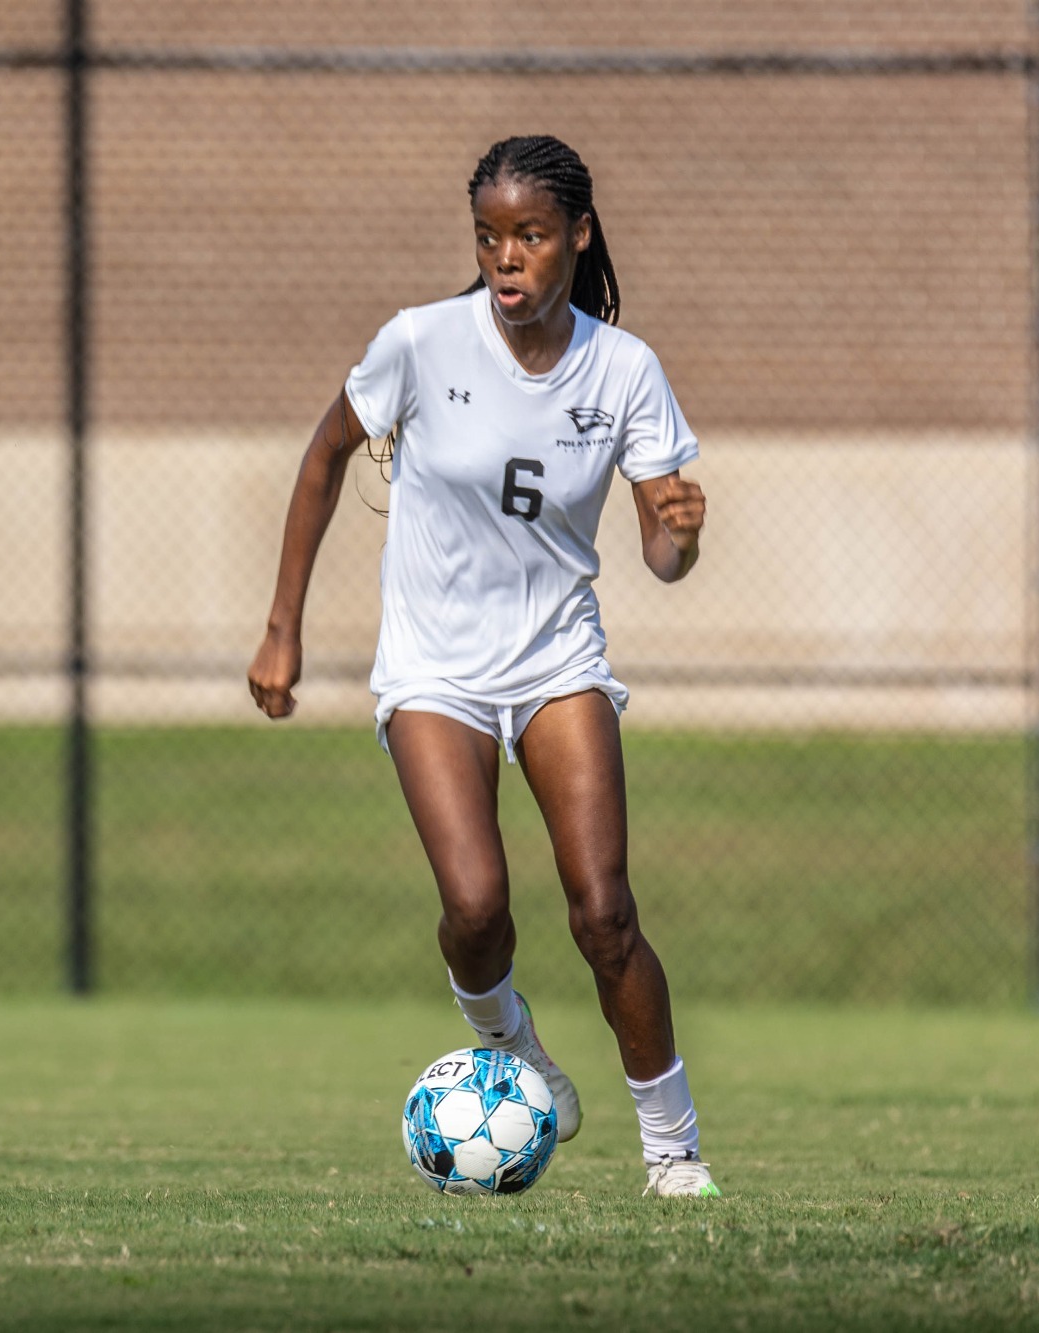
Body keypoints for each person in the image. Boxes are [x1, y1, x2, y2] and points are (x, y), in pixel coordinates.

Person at [248, 136, 718, 1197]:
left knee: (603, 914)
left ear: (576, 237)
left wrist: (681, 535)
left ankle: (671, 1149)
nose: (506, 258)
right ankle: (515, 1047)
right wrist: (283, 624)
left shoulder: (624, 369)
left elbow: (659, 552)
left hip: (555, 658)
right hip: (433, 666)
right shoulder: (418, 343)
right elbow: (326, 454)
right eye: (488, 237)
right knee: (473, 906)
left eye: (530, 235)